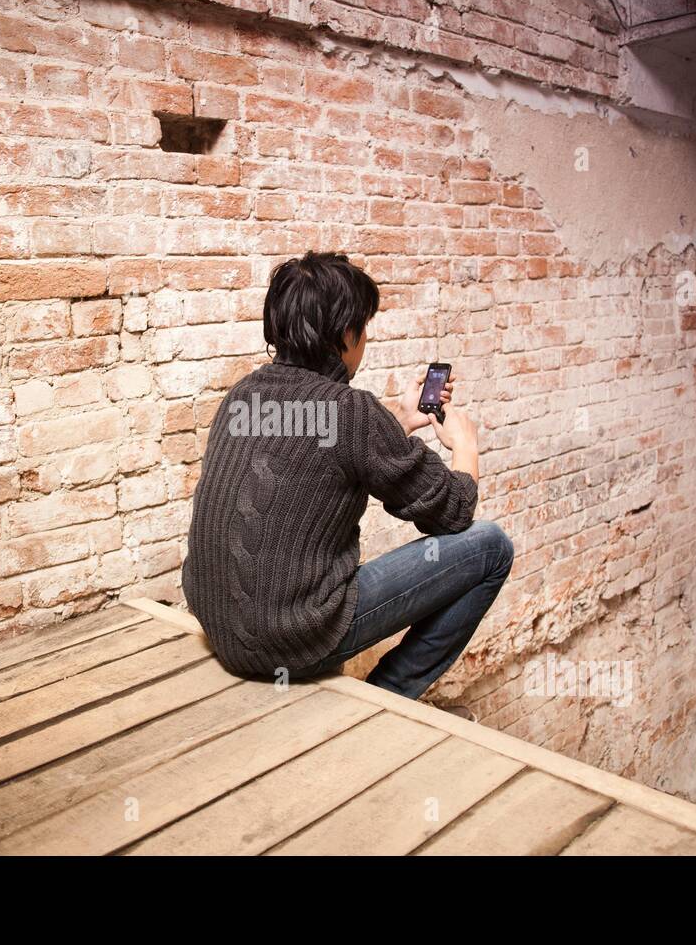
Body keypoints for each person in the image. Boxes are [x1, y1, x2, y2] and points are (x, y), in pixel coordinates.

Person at [181, 251, 514, 704]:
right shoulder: (352, 413)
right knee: (492, 547)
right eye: (365, 328)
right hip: (291, 638)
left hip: (222, 628)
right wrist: (466, 447)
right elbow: (452, 512)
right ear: (345, 333)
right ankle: (389, 696)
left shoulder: (245, 395)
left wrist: (398, 418)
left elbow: (314, 447)